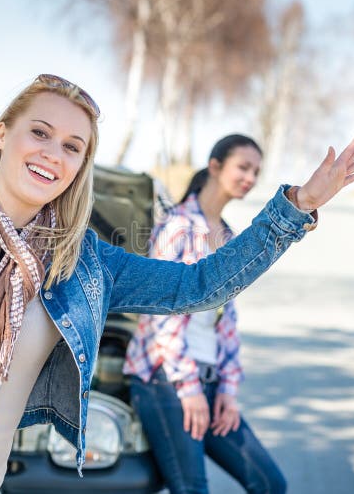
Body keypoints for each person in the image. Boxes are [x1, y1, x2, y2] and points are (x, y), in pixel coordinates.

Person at [0, 73, 354, 494]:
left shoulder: (84, 264)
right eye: (39, 133)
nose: (53, 153)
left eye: (73, 147)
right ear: (2, 135)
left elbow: (201, 285)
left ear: (81, 166)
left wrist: (295, 208)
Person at [124, 134, 288, 494]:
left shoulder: (228, 235)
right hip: (166, 380)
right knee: (192, 489)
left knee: (270, 483)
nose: (250, 177)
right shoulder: (177, 226)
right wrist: (187, 386)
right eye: (243, 167)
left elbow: (226, 324)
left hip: (211, 380)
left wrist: (228, 390)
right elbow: (158, 312)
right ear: (215, 166)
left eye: (256, 171)